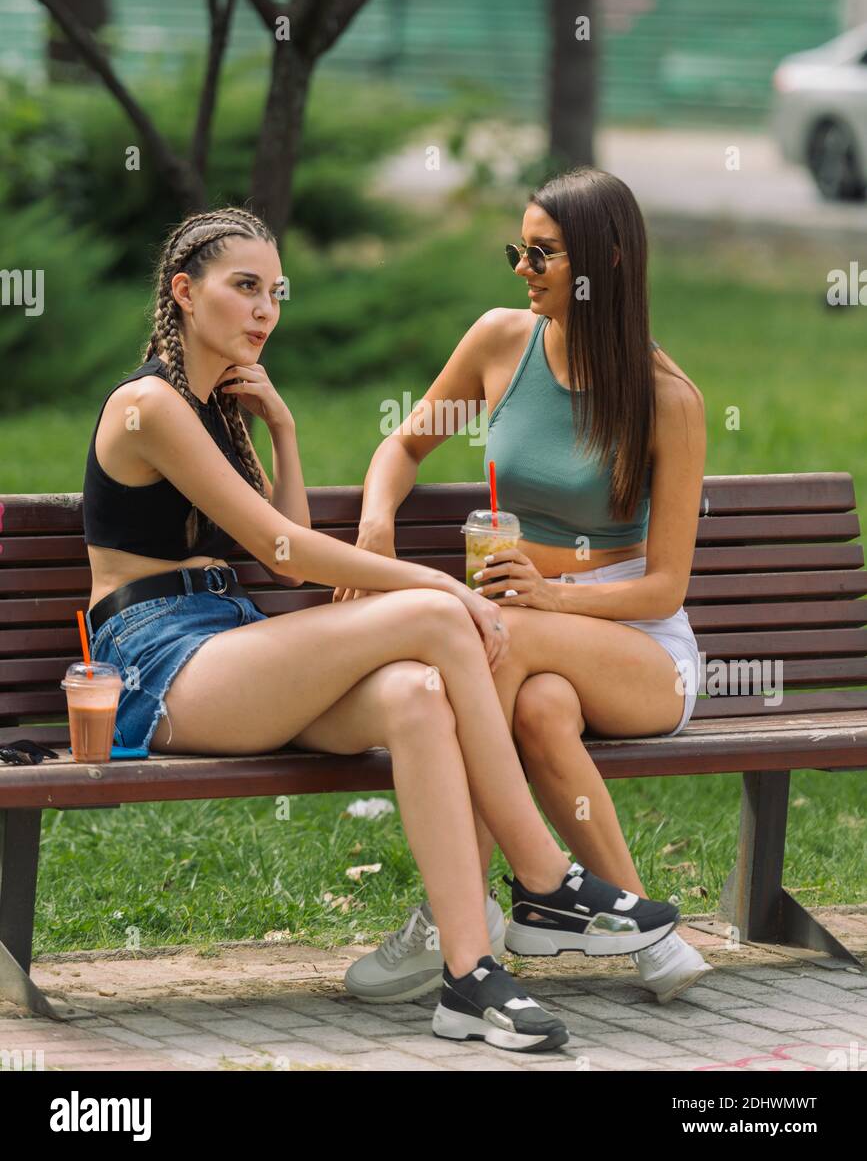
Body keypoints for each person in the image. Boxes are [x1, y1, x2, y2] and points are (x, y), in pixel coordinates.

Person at [81, 205, 680, 1054]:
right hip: (155, 661)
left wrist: (282, 428)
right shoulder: (150, 404)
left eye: (275, 292)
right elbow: (285, 547)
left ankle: (469, 977)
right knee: (437, 615)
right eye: (244, 287)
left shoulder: (218, 406)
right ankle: (544, 878)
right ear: (183, 291)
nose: (264, 310)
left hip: (225, 637)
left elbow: (287, 564)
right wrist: (435, 583)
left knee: (418, 694)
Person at [337, 167, 713, 1007]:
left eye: (542, 254)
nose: (521, 268)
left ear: (605, 261)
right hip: (530, 633)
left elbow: (664, 586)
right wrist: (375, 523)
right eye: (518, 249)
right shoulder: (499, 342)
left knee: (490, 641)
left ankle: (456, 916)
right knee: (537, 709)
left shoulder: (667, 400)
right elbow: (403, 445)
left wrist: (552, 597)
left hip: (639, 647)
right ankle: (643, 933)